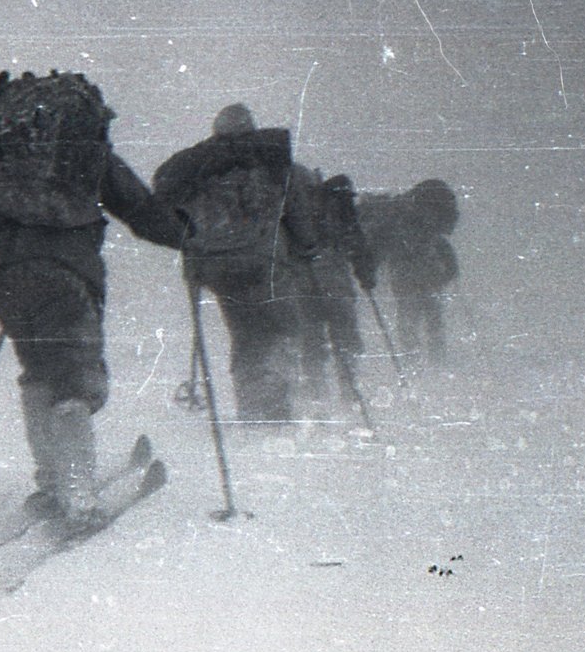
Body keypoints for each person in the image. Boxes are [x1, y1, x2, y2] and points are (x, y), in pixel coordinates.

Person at [0, 71, 183, 533]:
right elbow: (141, 210)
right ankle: (79, 497)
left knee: (38, 375)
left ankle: (52, 486)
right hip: (66, 280)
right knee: (73, 381)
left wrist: (4, 279)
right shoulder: (86, 156)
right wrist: (186, 234)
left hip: (7, 282)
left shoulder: (6, 172)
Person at [153, 103, 321, 424]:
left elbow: (169, 211)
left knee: (246, 336)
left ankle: (252, 408)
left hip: (217, 270)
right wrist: (307, 247)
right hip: (264, 263)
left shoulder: (198, 167)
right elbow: (297, 212)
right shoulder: (271, 163)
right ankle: (275, 403)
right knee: (284, 329)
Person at [299, 172, 378, 424]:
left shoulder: (301, 209)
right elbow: (358, 246)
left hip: (305, 285)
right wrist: (366, 276)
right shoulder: (344, 212)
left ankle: (317, 394)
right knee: (346, 340)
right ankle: (349, 392)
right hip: (336, 285)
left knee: (312, 343)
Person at [357, 178, 459, 360]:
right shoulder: (425, 223)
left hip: (404, 274)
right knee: (432, 317)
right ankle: (437, 359)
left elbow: (381, 246)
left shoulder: (397, 220)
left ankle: (413, 359)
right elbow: (442, 244)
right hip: (429, 272)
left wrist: (369, 271)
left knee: (409, 317)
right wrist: (449, 271)